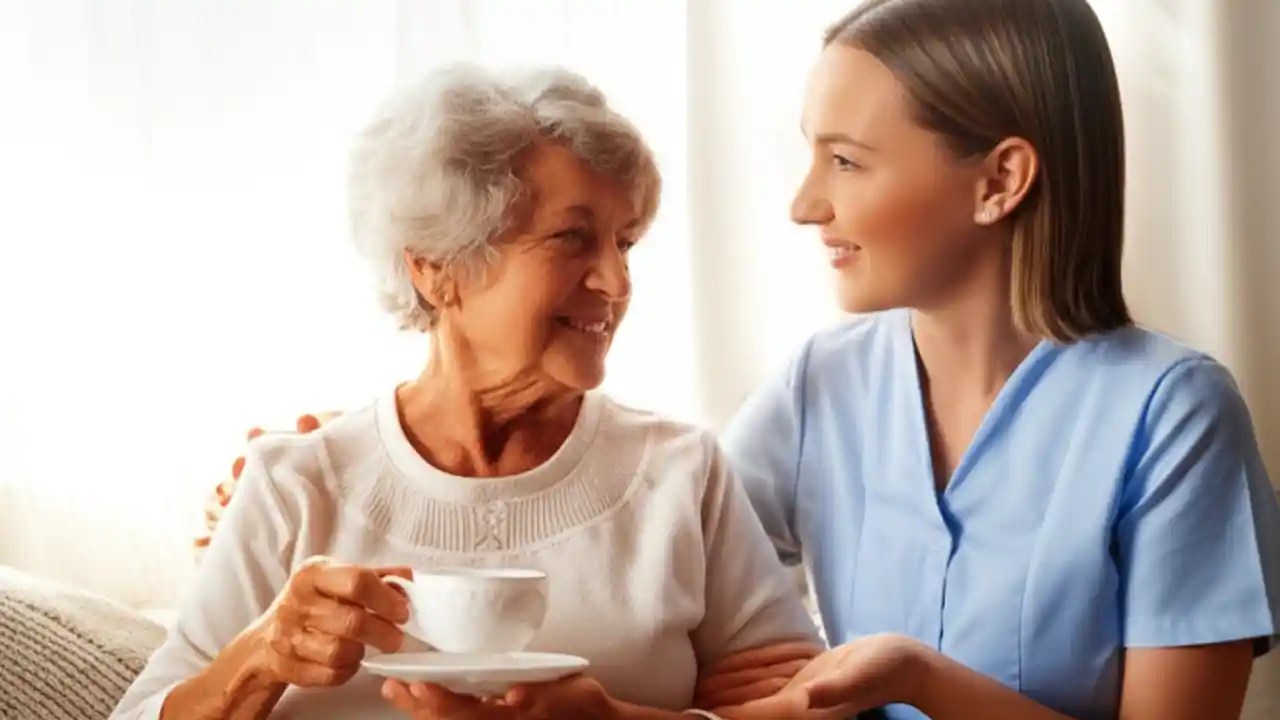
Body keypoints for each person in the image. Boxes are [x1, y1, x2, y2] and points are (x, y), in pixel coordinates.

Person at [203, 0, 1280, 718]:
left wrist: (911, 676)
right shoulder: (824, 387)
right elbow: (640, 532)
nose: (803, 202)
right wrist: (339, 485)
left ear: (998, 181)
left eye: (846, 161)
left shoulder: (1169, 416)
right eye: (808, 153)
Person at [112, 65, 840, 720]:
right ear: (437, 269)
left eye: (625, 243)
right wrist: (262, 657)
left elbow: (808, 707)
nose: (616, 285)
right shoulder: (294, 483)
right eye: (571, 239)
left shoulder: (681, 472)